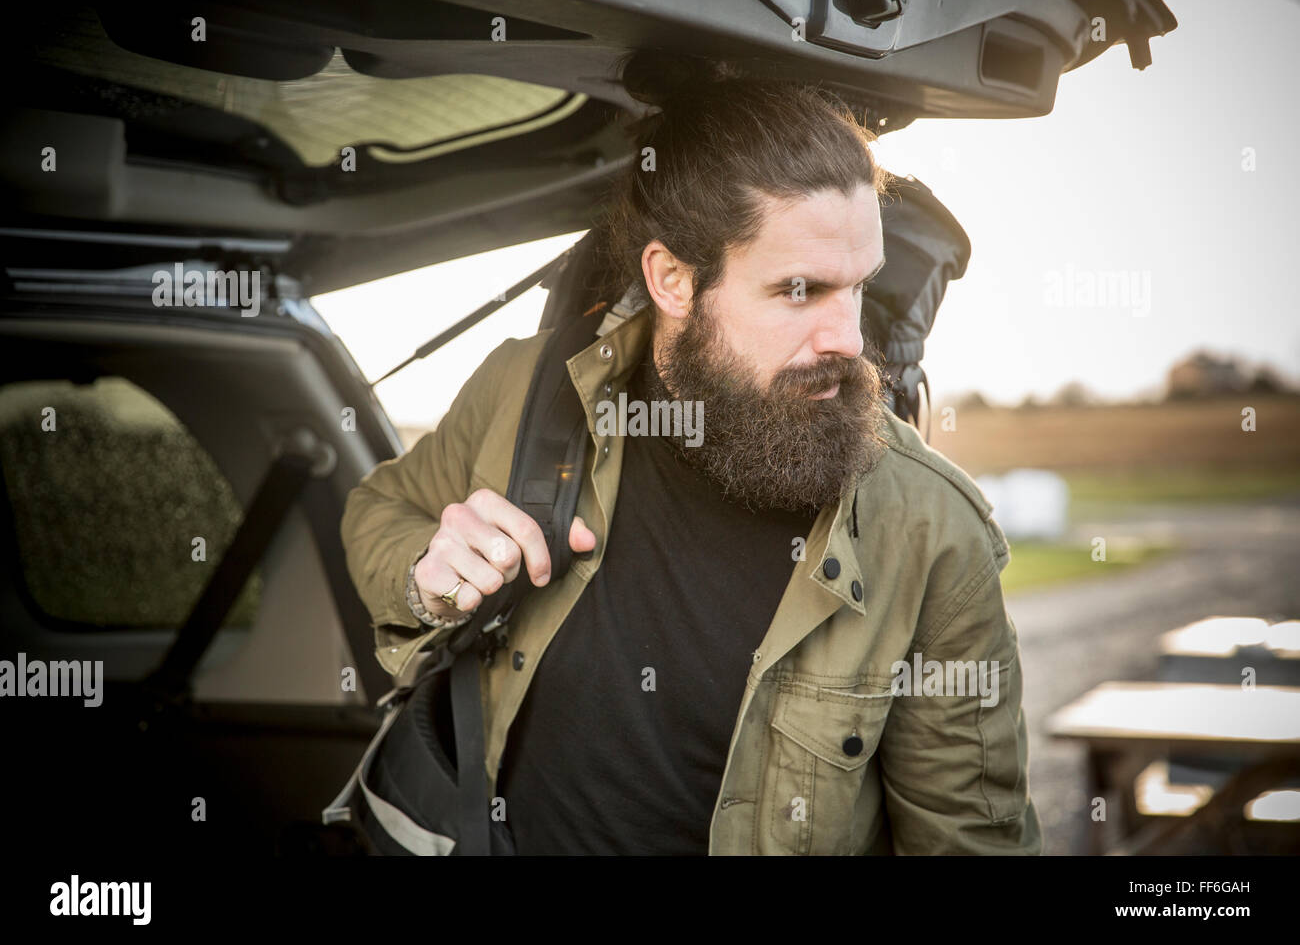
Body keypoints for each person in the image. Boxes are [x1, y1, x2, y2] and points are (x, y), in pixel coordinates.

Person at [340, 59, 1042, 855]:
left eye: (859, 287)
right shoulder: (525, 386)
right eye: (800, 290)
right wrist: (425, 576)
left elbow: (971, 844)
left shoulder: (932, 531)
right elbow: (377, 510)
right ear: (672, 279)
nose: (848, 339)